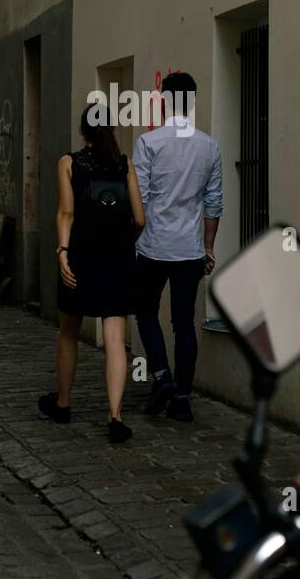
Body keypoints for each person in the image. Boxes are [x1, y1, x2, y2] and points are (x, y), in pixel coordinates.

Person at [39, 105, 145, 444]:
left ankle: (63, 403)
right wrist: (124, 241)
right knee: (115, 339)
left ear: (84, 131)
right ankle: (115, 416)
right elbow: (140, 218)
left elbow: (66, 212)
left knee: (69, 332)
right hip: (118, 258)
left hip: (81, 256)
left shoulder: (69, 163)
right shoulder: (124, 164)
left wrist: (63, 253)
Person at [132, 72, 223, 423]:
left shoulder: (149, 143)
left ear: (164, 101)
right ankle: (183, 398)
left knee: (145, 311)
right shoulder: (209, 146)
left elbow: (138, 200)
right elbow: (214, 202)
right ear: (194, 102)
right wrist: (209, 247)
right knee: (184, 322)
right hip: (189, 248)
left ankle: (162, 376)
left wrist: (132, 241)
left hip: (153, 244)